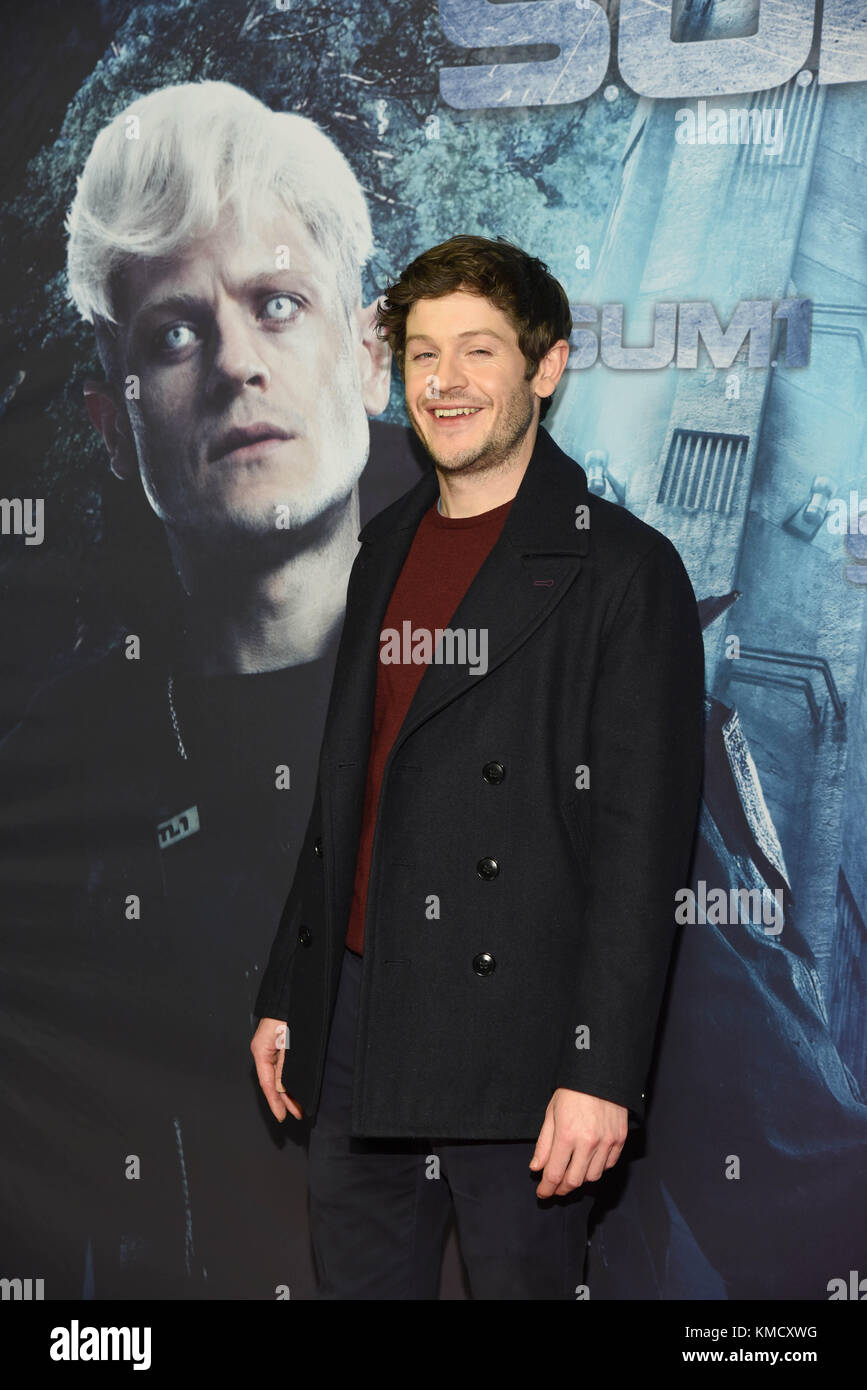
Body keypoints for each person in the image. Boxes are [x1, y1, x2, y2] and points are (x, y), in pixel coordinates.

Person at [0, 79, 424, 1298]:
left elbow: (783, 1161)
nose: (235, 361)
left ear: (369, 354)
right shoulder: (54, 768)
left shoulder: (565, 694)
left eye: (278, 304)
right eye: (173, 334)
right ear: (108, 419)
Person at [251, 233, 706, 1300]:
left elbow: (643, 857)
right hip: (360, 1023)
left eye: (478, 351)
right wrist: (293, 987)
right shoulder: (385, 546)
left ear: (546, 369)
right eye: (421, 355)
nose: (445, 382)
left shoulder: (624, 570)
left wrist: (599, 1073)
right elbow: (344, 791)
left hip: (523, 1054)